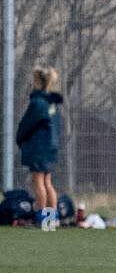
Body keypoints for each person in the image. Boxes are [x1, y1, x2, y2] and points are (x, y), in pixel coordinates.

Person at [16, 66, 63, 229]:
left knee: (38, 182)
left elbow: (27, 125)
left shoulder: (38, 103)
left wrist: (19, 138)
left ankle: (42, 219)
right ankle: (51, 220)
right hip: (51, 146)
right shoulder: (53, 104)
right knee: (48, 182)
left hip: (39, 147)